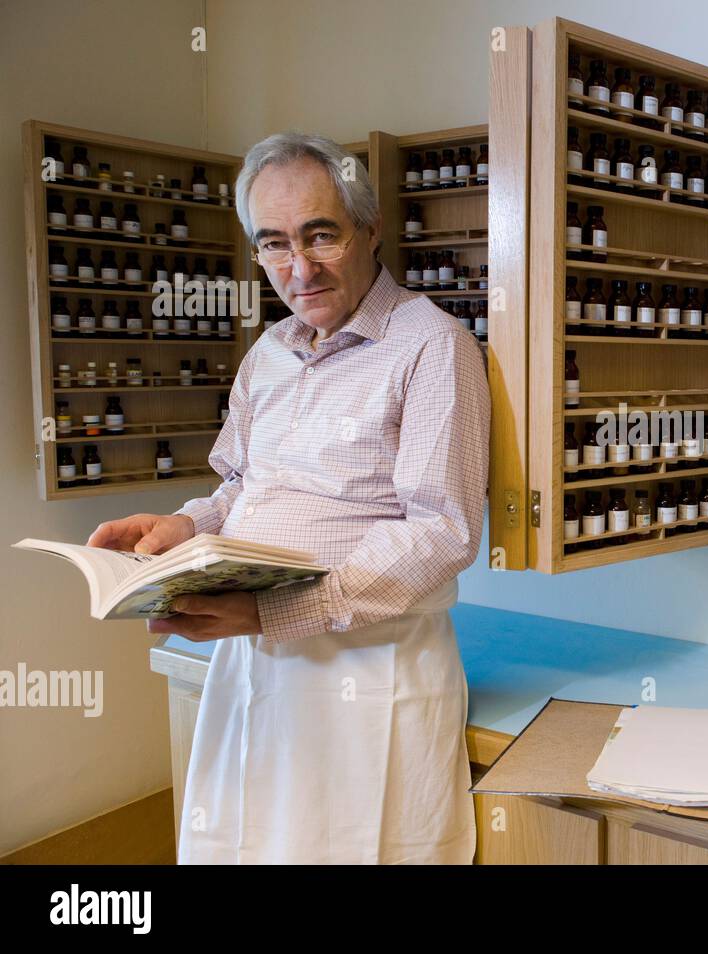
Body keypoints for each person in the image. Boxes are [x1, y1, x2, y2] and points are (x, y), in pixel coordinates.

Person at [87, 133, 490, 864]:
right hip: (255, 663)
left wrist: (276, 609)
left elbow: (442, 529)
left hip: (371, 669)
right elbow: (243, 484)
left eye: (320, 235)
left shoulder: (433, 346)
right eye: (274, 244)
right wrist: (184, 525)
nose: (298, 269)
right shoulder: (268, 352)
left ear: (370, 230)